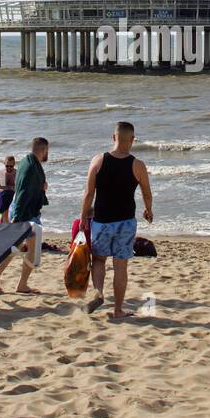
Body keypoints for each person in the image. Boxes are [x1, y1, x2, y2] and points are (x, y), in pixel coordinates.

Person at [80, 122, 153, 319]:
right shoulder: (137, 165)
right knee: (121, 265)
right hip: (126, 222)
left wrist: (82, 217)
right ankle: (118, 310)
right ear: (132, 140)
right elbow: (147, 192)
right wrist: (149, 210)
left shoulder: (98, 160)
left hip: (101, 220)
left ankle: (98, 292)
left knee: (99, 260)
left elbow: (88, 193)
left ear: (113, 138)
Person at [0, 137, 48, 294]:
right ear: (44, 150)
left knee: (17, 248)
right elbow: (23, 193)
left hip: (24, 211)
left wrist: (41, 187)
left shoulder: (27, 161)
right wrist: (17, 217)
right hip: (25, 214)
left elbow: (24, 188)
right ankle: (17, 284)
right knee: (28, 249)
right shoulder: (32, 167)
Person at [0, 156, 17, 222]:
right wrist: (5, 189)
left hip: (13, 196)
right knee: (6, 194)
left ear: (14, 164)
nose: (9, 168)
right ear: (4, 164)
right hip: (3, 196)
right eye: (7, 166)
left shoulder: (17, 173)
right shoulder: (1, 173)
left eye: (11, 166)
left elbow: (20, 187)